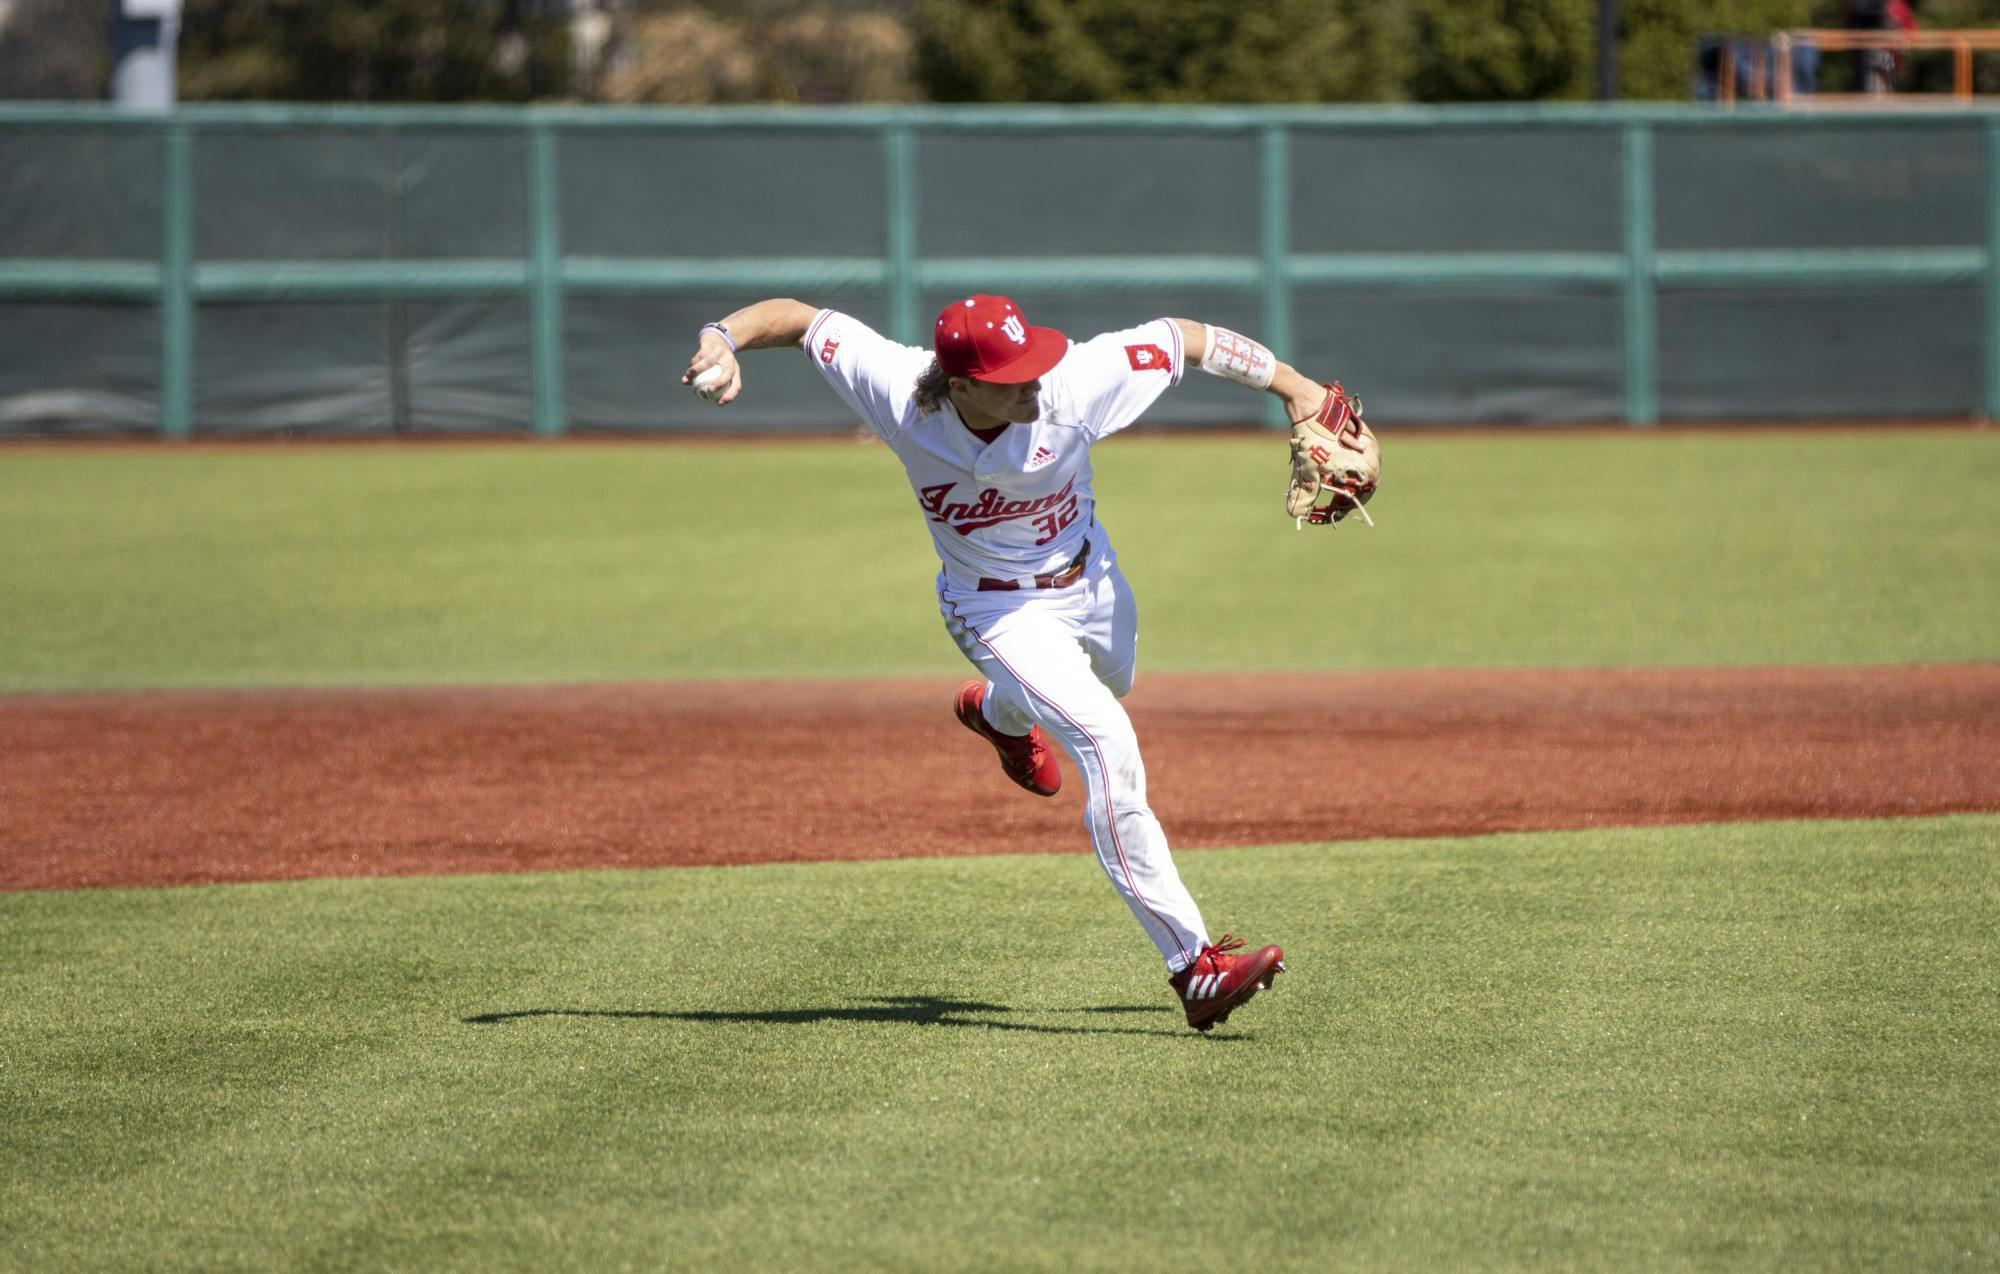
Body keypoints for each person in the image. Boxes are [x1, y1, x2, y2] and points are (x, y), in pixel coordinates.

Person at [681, 294, 1376, 1032]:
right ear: (961, 382)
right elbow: (798, 319)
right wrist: (720, 337)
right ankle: (1194, 965)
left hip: (1092, 577)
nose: (1034, 382)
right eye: (1012, 376)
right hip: (995, 612)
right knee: (1106, 742)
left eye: (1033, 364)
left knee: (1115, 682)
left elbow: (1187, 338)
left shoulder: (1074, 381)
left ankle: (997, 711)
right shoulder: (896, 388)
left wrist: (1297, 389)